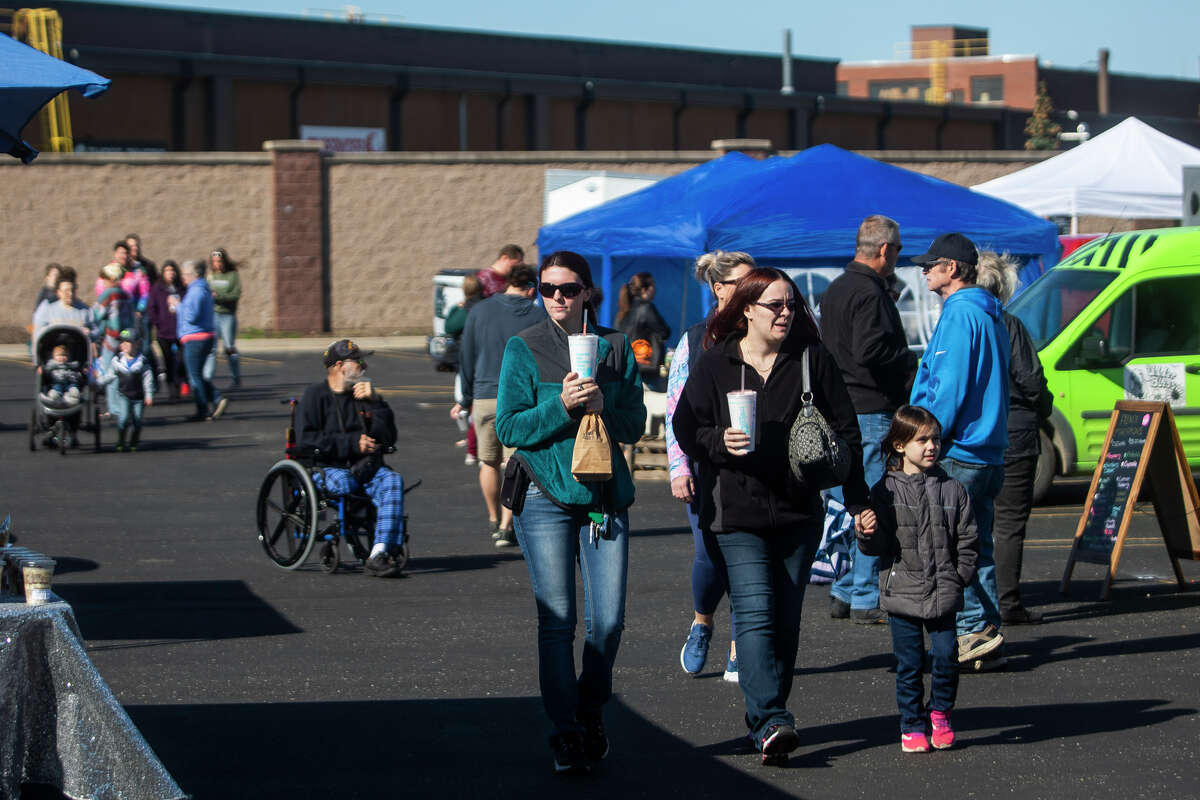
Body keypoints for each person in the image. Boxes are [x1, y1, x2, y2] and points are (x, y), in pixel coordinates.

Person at [673, 267, 870, 766]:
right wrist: (719, 442)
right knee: (755, 616)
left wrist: (858, 498)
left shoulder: (811, 361)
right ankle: (772, 719)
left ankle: (765, 721)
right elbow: (685, 424)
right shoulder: (717, 364)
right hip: (734, 512)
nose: (785, 313)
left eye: (790, 304)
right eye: (774, 306)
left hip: (799, 510)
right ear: (746, 311)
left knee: (785, 623)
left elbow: (848, 432)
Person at [494, 250, 646, 774]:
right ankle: (565, 732)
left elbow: (635, 422)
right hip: (543, 497)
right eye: (548, 288)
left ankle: (590, 708)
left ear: (587, 293)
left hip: (604, 497)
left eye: (568, 288)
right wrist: (560, 405)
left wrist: (605, 405)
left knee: (608, 621)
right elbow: (509, 429)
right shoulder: (524, 347)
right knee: (556, 623)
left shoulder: (616, 346)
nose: (557, 297)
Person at [909, 233, 1011, 668]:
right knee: (978, 544)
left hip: (960, 449)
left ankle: (971, 629)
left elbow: (946, 390)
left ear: (952, 268)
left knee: (947, 547)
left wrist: (923, 439)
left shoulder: (959, 314)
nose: (924, 271)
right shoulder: (991, 315)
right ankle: (985, 630)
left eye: (930, 265)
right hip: (989, 451)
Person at [857, 405, 978, 753]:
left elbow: (969, 540)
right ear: (899, 445)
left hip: (944, 591)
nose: (931, 446)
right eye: (921, 439)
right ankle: (911, 723)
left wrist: (959, 577)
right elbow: (877, 548)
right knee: (909, 665)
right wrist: (866, 533)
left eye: (936, 439)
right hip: (903, 595)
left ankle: (940, 713)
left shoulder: (954, 489)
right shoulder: (884, 491)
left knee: (945, 656)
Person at [819, 215, 918, 624]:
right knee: (872, 504)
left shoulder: (838, 288)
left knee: (854, 499)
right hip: (871, 407)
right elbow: (871, 350)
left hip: (842, 406)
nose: (897, 257)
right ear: (883, 250)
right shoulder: (869, 292)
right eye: (896, 250)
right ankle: (862, 596)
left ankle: (845, 590)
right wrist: (909, 361)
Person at [667, 250, 755, 681]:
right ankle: (703, 621)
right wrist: (678, 467)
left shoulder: (765, 332)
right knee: (709, 555)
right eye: (742, 281)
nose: (752, 288)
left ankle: (742, 647)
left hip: (755, 466)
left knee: (747, 557)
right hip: (704, 465)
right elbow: (674, 409)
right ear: (719, 288)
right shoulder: (695, 337)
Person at [976, 251, 1053, 626]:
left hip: (977, 433)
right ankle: (1006, 602)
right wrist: (1043, 409)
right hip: (1015, 429)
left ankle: (981, 600)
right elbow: (1032, 381)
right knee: (1008, 523)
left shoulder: (962, 324)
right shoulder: (1008, 325)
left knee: (977, 522)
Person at [450, 264, 545, 548]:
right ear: (530, 289)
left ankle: (493, 518)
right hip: (519, 398)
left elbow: (466, 356)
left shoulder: (479, 311)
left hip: (484, 395)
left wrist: (466, 396)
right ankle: (506, 526)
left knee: (487, 462)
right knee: (514, 464)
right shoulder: (538, 314)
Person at [298, 339, 407, 578]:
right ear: (339, 366)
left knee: (392, 481)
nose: (364, 366)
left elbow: (389, 439)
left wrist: (377, 403)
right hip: (327, 467)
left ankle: (378, 554)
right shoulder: (315, 396)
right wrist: (351, 443)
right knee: (346, 482)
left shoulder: (363, 395)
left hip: (364, 467)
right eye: (358, 362)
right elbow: (305, 439)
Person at [178, 260, 228, 422]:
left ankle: (204, 408)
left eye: (185, 274)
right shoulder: (202, 289)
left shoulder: (196, 291)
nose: (183, 278)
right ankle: (216, 399)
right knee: (197, 374)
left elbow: (191, 316)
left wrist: (178, 306)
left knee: (194, 376)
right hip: (204, 336)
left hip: (195, 338)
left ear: (194, 275)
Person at [445, 274, 484, 465]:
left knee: (464, 401)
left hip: (466, 361)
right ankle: (472, 438)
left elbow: (449, 326)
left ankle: (470, 442)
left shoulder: (464, 310)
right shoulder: (486, 307)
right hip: (484, 360)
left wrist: (455, 309)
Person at [100, 329, 155, 452]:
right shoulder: (117, 360)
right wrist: (99, 383)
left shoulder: (142, 361)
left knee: (137, 420)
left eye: (128, 342)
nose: (123, 345)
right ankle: (121, 440)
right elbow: (109, 375)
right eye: (122, 342)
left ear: (136, 344)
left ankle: (134, 441)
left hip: (138, 396)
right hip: (123, 394)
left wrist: (149, 395)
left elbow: (148, 379)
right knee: (123, 419)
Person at [616, 272, 671, 392]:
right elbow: (664, 332)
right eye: (653, 286)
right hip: (646, 369)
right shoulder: (646, 308)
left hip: (627, 369)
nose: (655, 289)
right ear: (645, 289)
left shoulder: (623, 310)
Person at [92, 262, 134, 414]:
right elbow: (131, 318)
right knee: (123, 372)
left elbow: (96, 315)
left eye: (104, 278)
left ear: (110, 278)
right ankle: (124, 405)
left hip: (111, 338)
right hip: (125, 339)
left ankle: (114, 407)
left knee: (110, 373)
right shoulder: (125, 295)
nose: (102, 282)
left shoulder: (107, 295)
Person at [146, 260, 188, 402]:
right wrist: (157, 322)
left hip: (181, 331)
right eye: (167, 270)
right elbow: (151, 308)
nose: (170, 273)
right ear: (163, 273)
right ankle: (172, 390)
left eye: (172, 270)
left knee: (182, 360)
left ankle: (182, 381)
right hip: (164, 332)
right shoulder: (158, 288)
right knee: (168, 361)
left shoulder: (182, 288)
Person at [207, 248, 242, 389]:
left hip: (227, 315)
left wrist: (219, 297)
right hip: (213, 315)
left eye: (219, 261)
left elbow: (235, 294)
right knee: (212, 349)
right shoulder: (210, 276)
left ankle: (235, 378)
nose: (217, 264)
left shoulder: (232, 276)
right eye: (214, 261)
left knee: (229, 348)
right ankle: (207, 378)